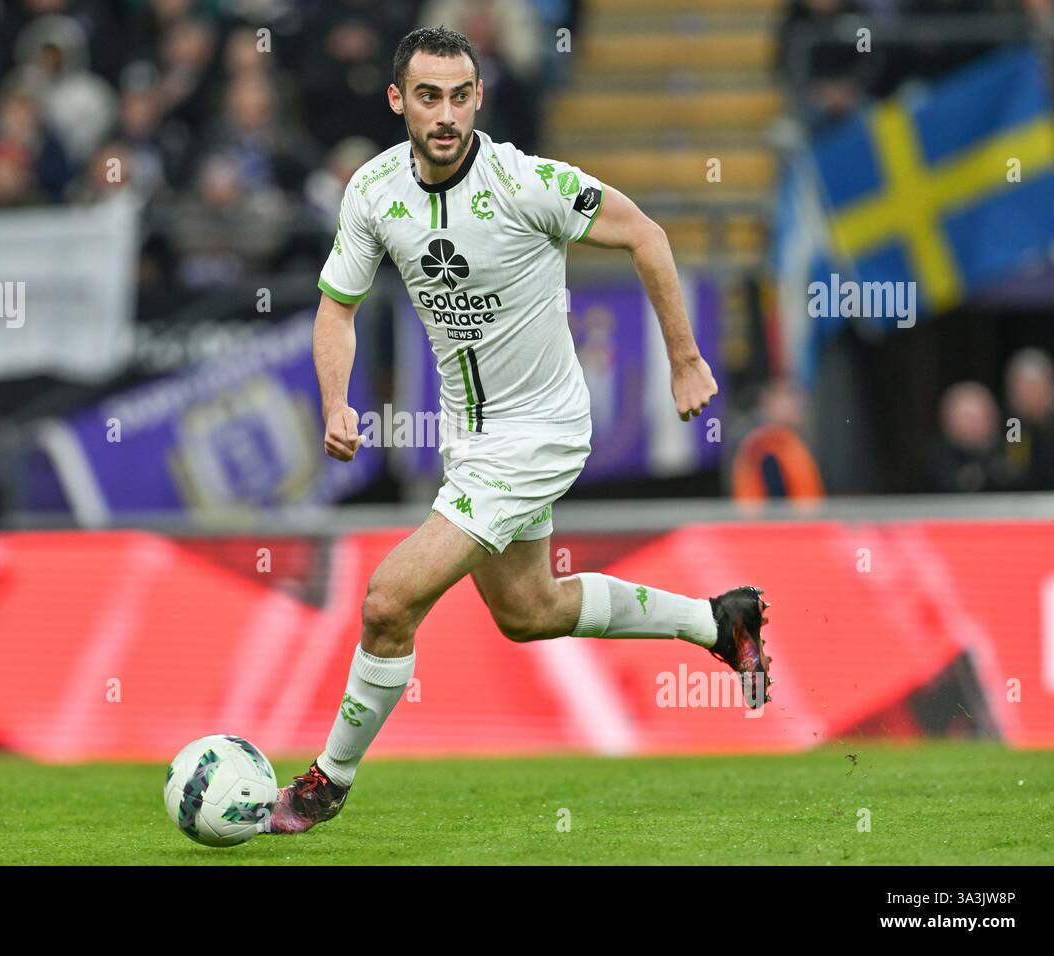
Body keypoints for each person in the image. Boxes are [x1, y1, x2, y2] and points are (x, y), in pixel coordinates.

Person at [264, 27, 772, 836]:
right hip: (468, 437)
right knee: (528, 610)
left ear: (478, 100)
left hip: (539, 431)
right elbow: (337, 307)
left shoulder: (524, 182)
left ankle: (327, 782)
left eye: (460, 95)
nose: (446, 114)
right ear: (397, 100)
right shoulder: (370, 192)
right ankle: (720, 621)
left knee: (389, 600)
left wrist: (684, 359)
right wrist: (335, 400)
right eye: (428, 96)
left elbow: (646, 233)